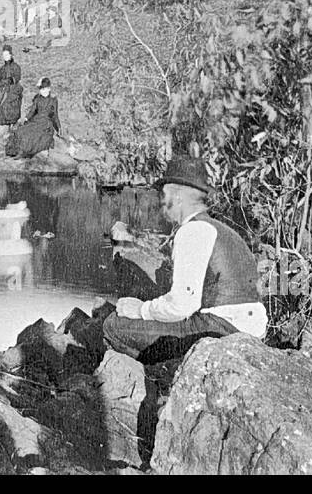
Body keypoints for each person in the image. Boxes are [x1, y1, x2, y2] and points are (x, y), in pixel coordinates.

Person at [103, 153, 265, 363]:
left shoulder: (192, 231)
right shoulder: (220, 229)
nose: (161, 202)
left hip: (221, 330)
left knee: (114, 325)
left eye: (163, 194)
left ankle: (162, 373)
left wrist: (141, 310)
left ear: (177, 196)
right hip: (249, 328)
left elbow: (183, 305)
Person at [5, 76, 60, 157]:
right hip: (36, 120)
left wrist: (59, 127)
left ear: (49, 88)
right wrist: (26, 118)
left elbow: (55, 115)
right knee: (21, 131)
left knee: (34, 135)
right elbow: (32, 111)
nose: (42, 91)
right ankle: (18, 151)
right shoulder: (37, 98)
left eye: (44, 89)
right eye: (41, 89)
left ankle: (24, 152)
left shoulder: (53, 100)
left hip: (46, 123)